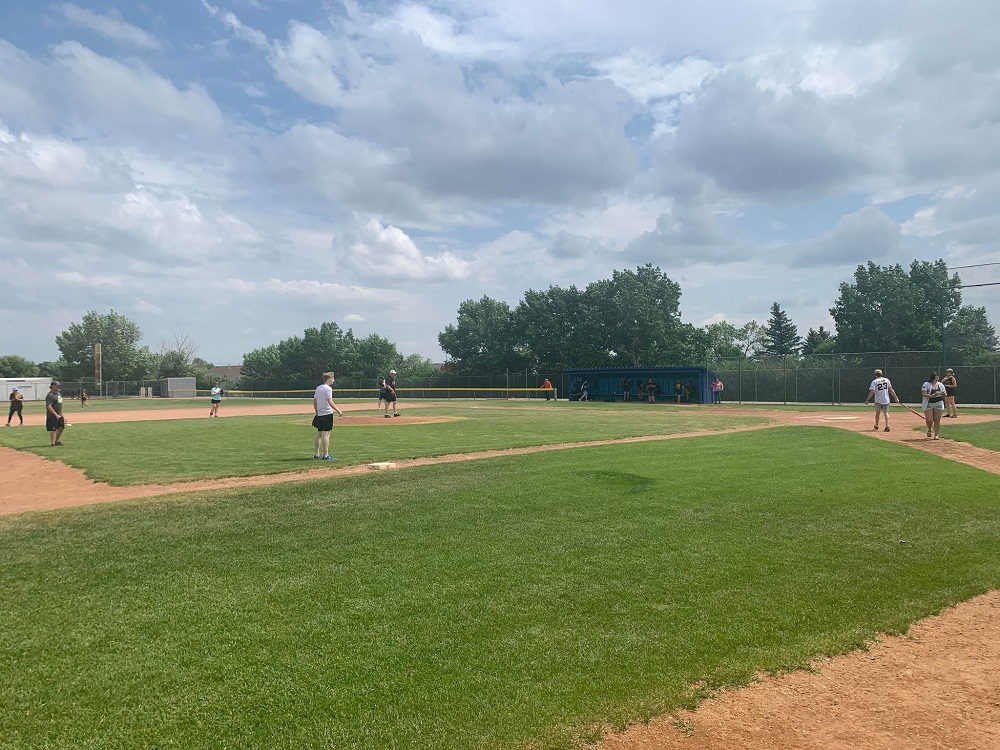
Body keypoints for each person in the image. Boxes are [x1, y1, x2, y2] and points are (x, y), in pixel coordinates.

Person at [312, 371, 344, 459]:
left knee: (319, 433)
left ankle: (317, 454)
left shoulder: (318, 388)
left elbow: (315, 402)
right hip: (327, 413)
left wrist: (317, 412)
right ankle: (326, 455)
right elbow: (330, 401)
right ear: (329, 379)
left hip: (320, 413)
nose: (333, 380)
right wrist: (338, 411)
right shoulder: (328, 389)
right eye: (332, 378)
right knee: (326, 434)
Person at [922, 371, 947, 440]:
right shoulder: (926, 384)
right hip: (928, 403)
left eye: (938, 377)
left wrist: (944, 394)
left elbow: (945, 393)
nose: (937, 379)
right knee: (929, 420)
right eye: (936, 377)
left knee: (937, 420)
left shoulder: (940, 385)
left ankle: (936, 434)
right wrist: (931, 396)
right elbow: (924, 394)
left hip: (939, 402)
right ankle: (929, 429)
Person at [45, 380, 66, 446]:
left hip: (59, 414)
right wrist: (56, 415)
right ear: (53, 386)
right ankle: (53, 443)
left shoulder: (59, 394)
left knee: (61, 427)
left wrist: (61, 414)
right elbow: (48, 406)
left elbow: (60, 404)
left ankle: (57, 441)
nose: (58, 386)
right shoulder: (50, 395)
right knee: (53, 428)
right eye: (57, 385)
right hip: (52, 415)